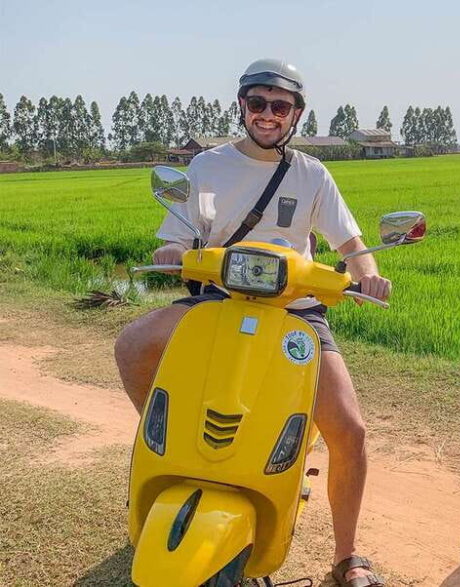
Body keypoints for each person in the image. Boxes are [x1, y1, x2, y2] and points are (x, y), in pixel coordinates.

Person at [114, 58, 387, 587]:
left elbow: (350, 244)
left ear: (296, 114)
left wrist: (368, 274)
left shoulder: (312, 174)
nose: (267, 114)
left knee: (349, 430)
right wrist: (172, 250)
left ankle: (347, 555)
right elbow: (179, 232)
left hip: (295, 311)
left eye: (279, 106)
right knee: (133, 344)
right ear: (242, 106)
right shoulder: (207, 167)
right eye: (257, 103)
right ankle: (165, 444)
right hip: (216, 299)